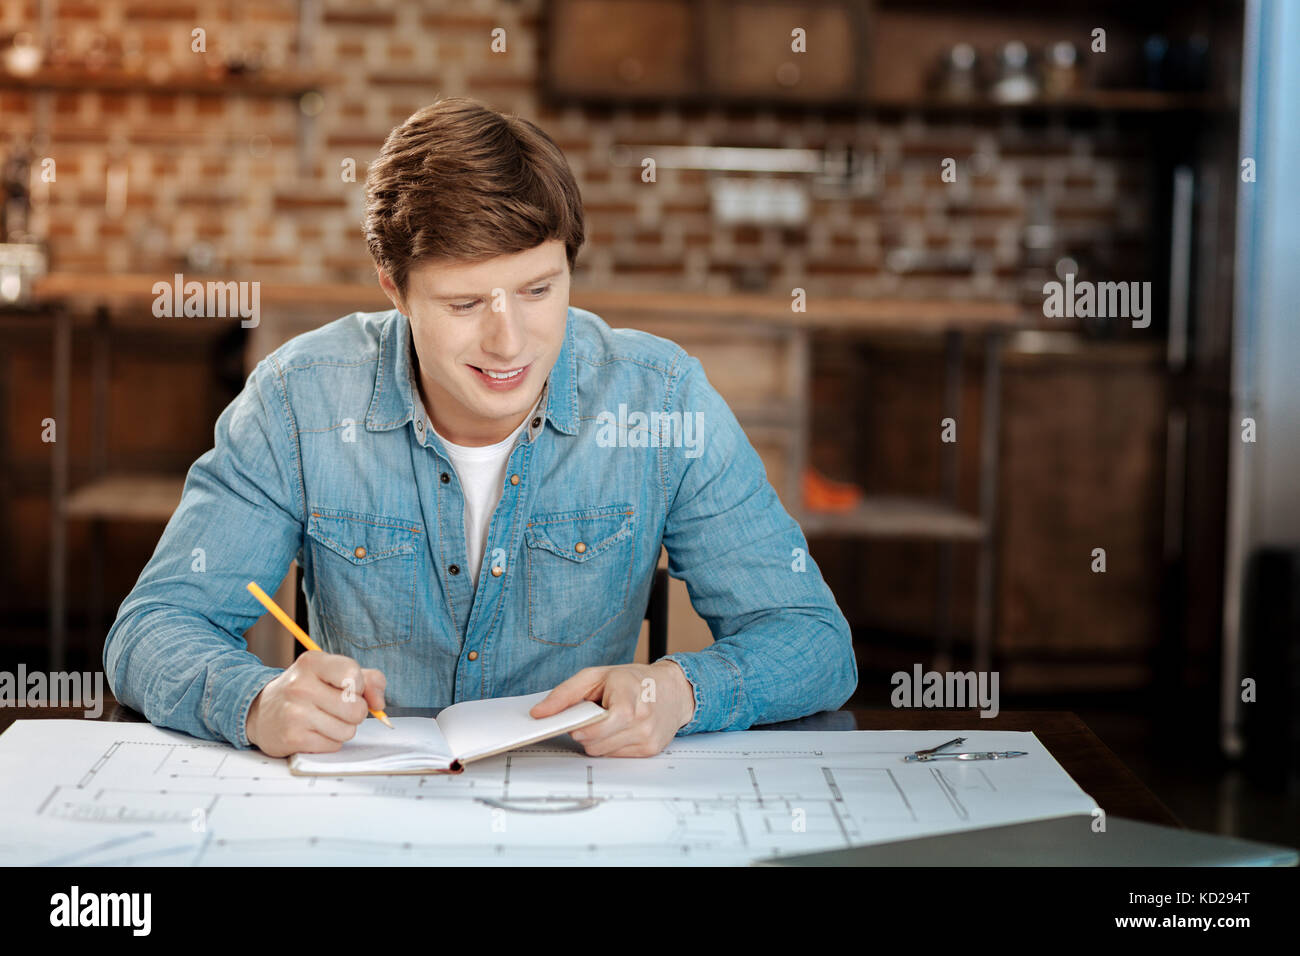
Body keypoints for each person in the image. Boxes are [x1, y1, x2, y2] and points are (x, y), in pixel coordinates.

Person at [104, 96, 856, 760]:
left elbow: (814, 641)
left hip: (580, 808)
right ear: (393, 289)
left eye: (538, 289)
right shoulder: (298, 401)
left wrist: (682, 690)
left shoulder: (659, 401)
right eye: (465, 305)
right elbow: (153, 627)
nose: (510, 342)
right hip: (372, 812)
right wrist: (257, 701)